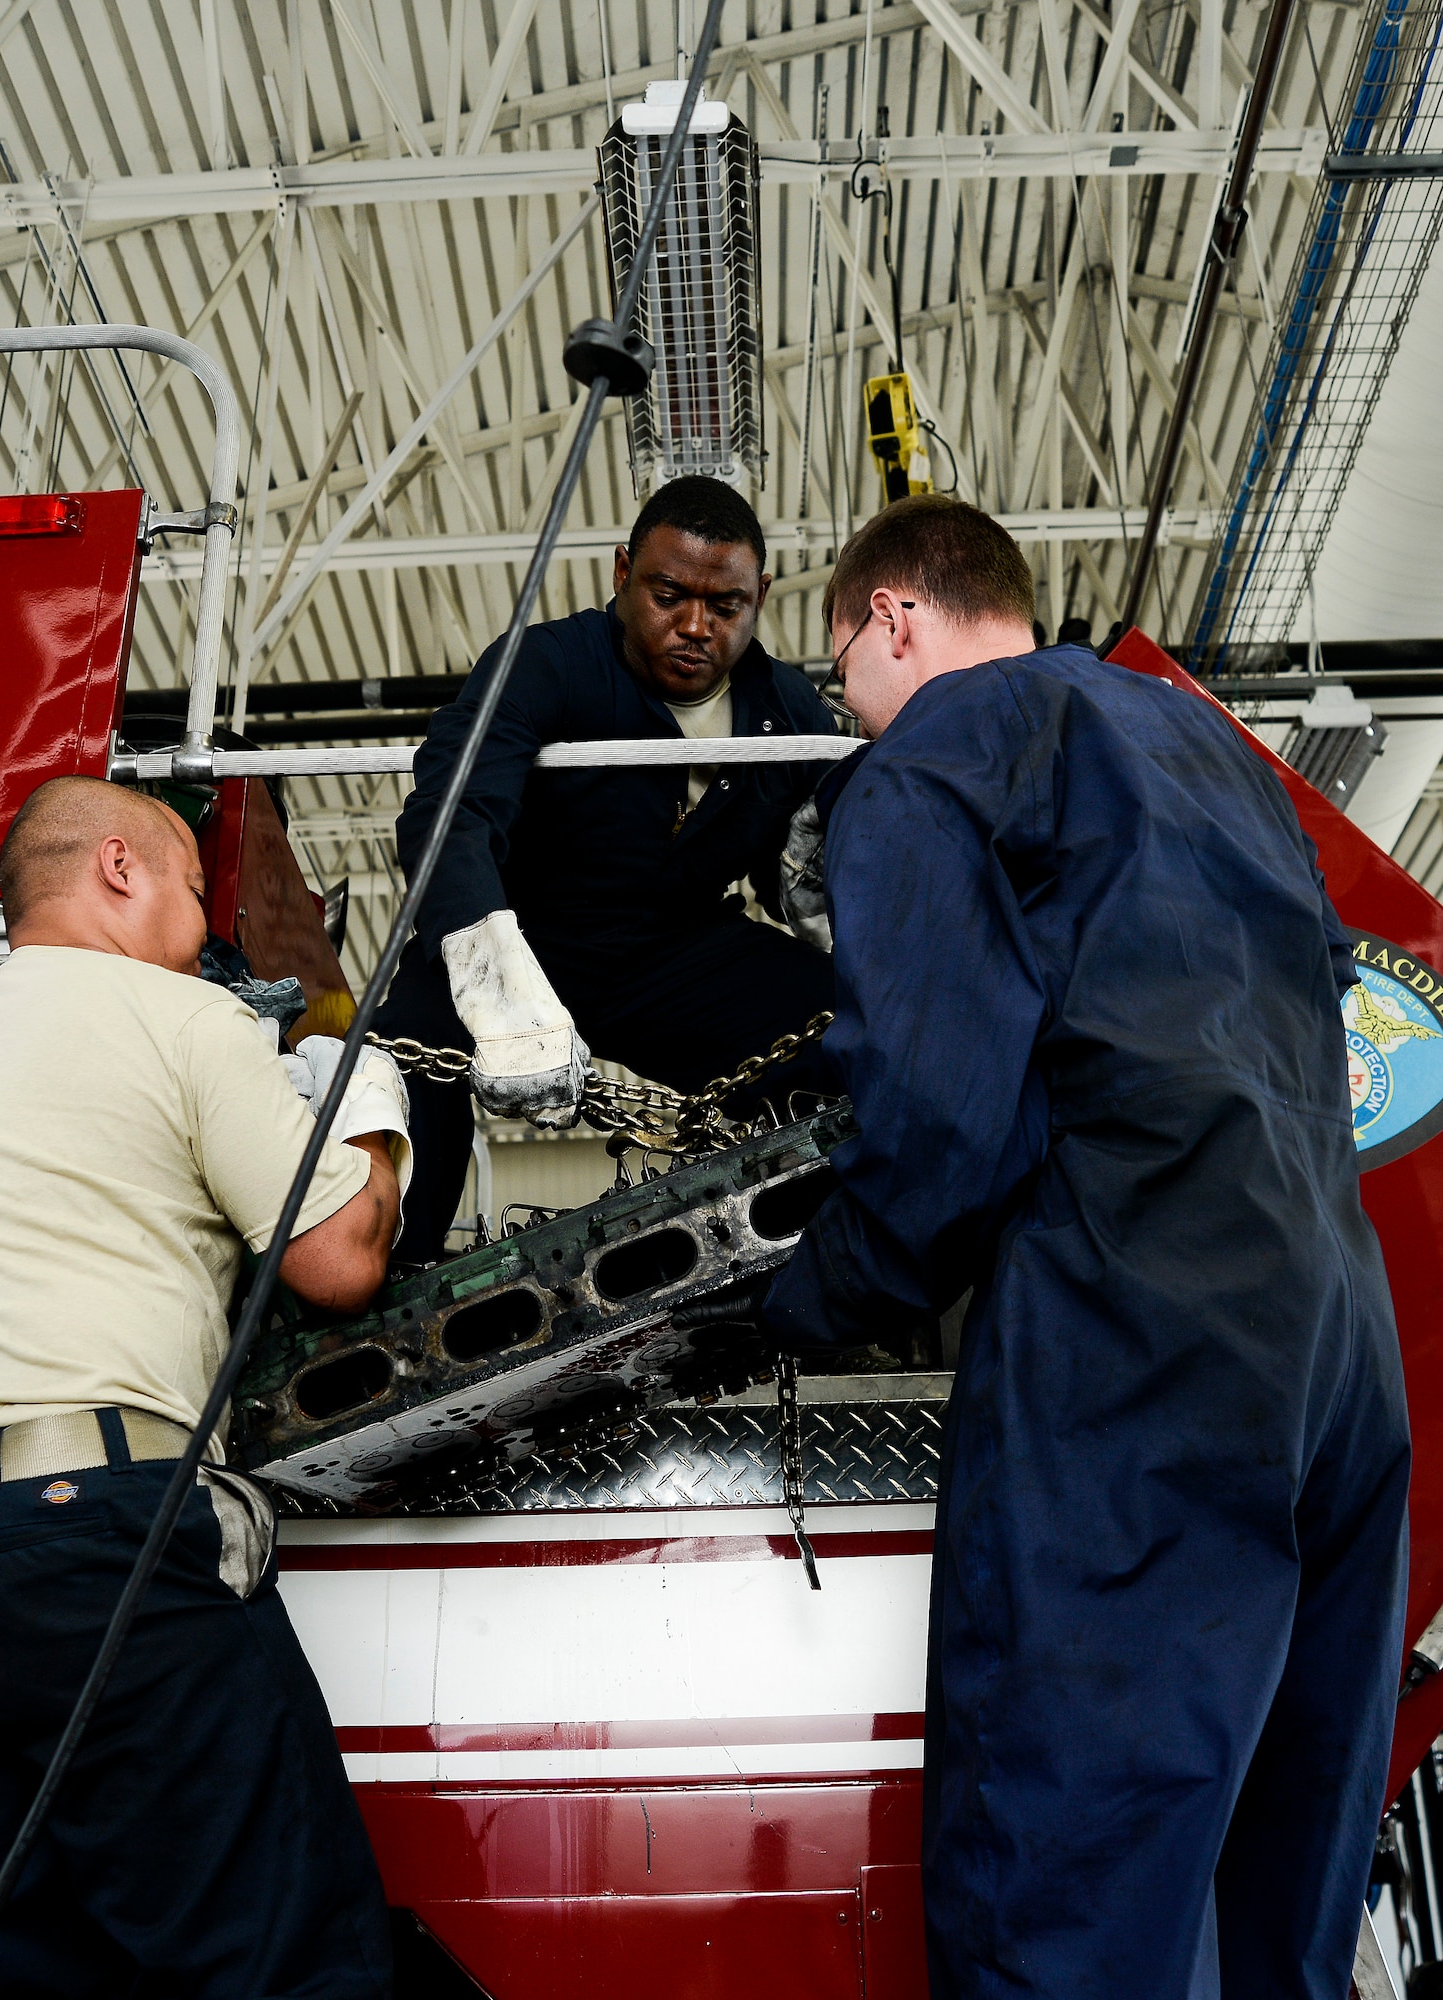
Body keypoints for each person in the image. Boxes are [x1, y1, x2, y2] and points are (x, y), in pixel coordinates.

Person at [763, 496, 1409, 1999]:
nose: (851, 710)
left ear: (892, 620)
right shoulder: (1214, 753)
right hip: (1337, 1331)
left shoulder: (933, 755)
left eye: (840, 671)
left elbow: (943, 1126)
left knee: (1069, 1887)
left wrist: (807, 1295)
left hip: (1138, 1324)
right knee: (1276, 1884)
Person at [0, 776, 411, 1999]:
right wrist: (371, 1112)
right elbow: (340, 1260)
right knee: (278, 1956)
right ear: (121, 869)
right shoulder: (180, 1015)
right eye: (194, 890)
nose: (204, 933)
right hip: (76, 1542)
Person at [375, 475, 842, 1260]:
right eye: (669, 595)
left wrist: (824, 888)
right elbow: (453, 815)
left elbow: (810, 864)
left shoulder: (789, 714)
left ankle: (815, 1259)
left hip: (677, 954)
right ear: (623, 572)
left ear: (760, 596)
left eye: (726, 606)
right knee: (398, 1057)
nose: (695, 626)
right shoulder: (545, 664)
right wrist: (495, 986)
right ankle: (390, 1278)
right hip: (529, 938)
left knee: (856, 1025)